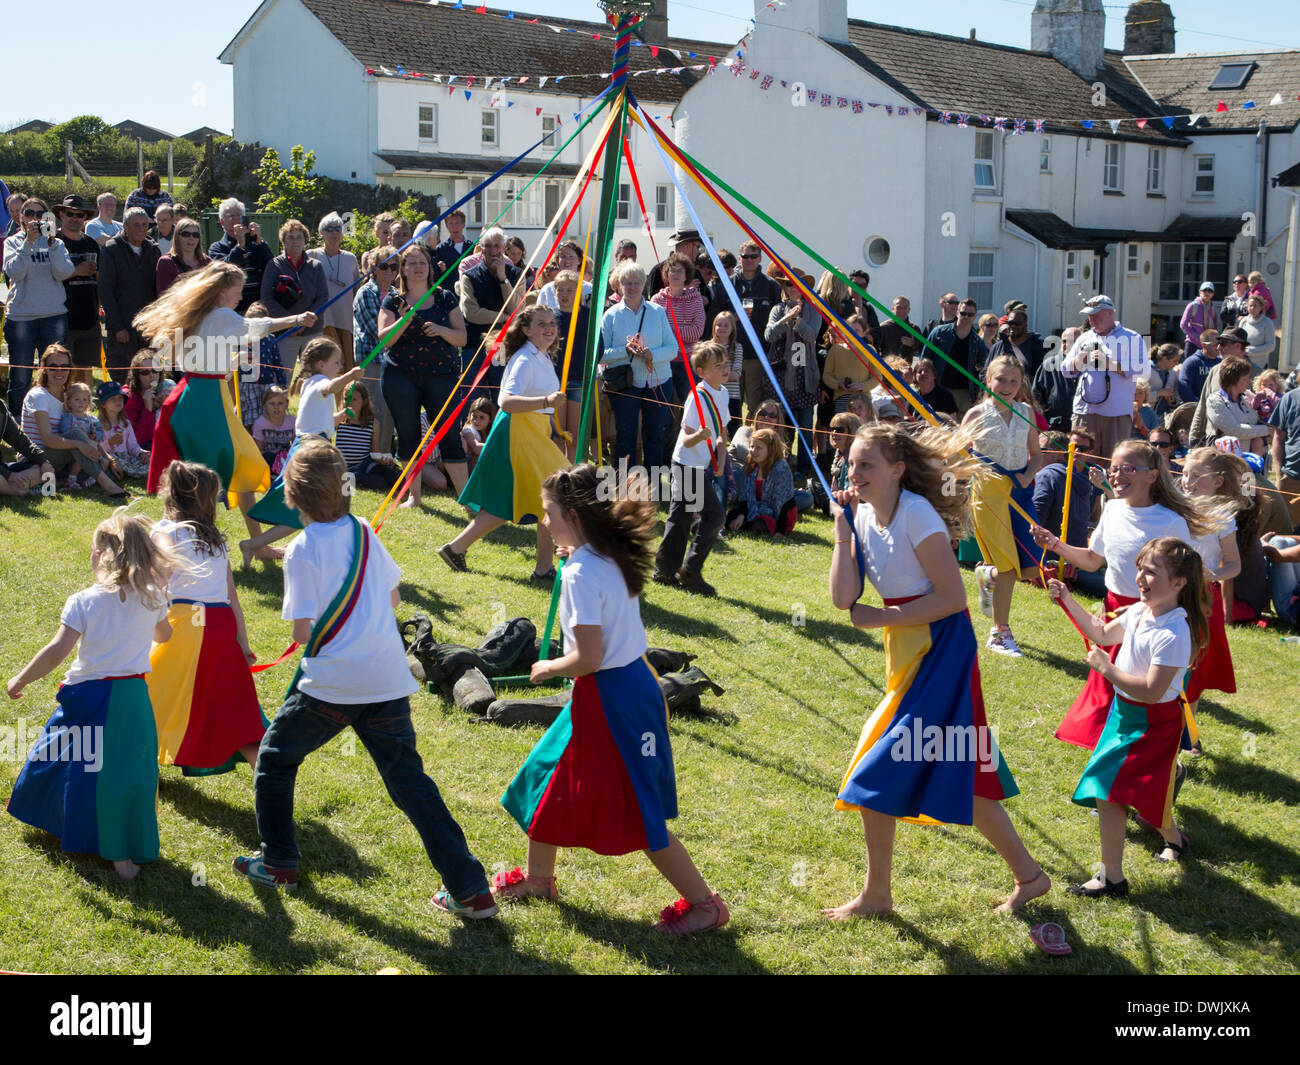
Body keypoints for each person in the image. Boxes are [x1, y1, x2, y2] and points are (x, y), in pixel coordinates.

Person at [232, 440, 496, 916]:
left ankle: (278, 863)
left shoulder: (300, 551)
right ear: (345, 488)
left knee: (273, 758)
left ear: (291, 495)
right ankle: (471, 889)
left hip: (332, 685)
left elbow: (302, 631)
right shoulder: (363, 532)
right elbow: (393, 600)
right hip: (387, 680)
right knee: (411, 785)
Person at [823, 423, 1048, 918]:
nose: (853, 472)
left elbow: (952, 598)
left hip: (942, 648)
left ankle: (876, 896)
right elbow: (843, 599)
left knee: (875, 767)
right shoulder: (860, 516)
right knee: (960, 771)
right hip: (906, 649)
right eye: (852, 463)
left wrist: (881, 616)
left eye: (867, 464)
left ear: (898, 470)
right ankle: (1030, 876)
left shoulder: (917, 513)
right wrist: (842, 530)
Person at [494, 463, 729, 935]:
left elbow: (587, 657)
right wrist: (570, 556)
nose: (543, 522)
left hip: (612, 699)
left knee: (637, 808)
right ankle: (540, 879)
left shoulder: (584, 570)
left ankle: (706, 905)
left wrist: (546, 668)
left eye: (549, 513)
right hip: (621, 689)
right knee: (544, 774)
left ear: (575, 516)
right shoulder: (606, 554)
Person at [6, 511, 177, 880]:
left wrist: (20, 678)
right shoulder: (150, 597)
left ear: (103, 555)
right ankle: (124, 857)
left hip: (88, 696)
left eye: (92, 549)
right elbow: (165, 636)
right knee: (126, 774)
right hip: (133, 698)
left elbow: (56, 652)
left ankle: (63, 825)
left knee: (61, 756)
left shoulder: (84, 601)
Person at [1047, 538, 1207, 891]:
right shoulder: (1139, 611)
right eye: (1140, 569)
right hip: (1124, 714)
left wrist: (1107, 670)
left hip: (1152, 723)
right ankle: (1173, 839)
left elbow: (1151, 690)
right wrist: (1067, 598)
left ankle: (1112, 878)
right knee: (1128, 795)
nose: (1140, 577)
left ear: (1180, 582)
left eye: (1151, 572)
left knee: (1110, 792)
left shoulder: (1174, 632)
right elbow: (1101, 633)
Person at [1032, 439, 1208, 750]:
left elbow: (1185, 579)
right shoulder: (1111, 509)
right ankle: (1109, 749)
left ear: (1152, 476)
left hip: (1154, 617)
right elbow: (1092, 559)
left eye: (1127, 468)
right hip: (1117, 612)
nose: (1116, 475)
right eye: (1113, 469)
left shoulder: (1171, 522)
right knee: (1106, 690)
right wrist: (1055, 545)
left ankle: (1159, 751)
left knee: (1144, 691)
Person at [137, 262, 315, 544]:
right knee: (209, 473)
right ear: (221, 291)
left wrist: (232, 362)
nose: (239, 297)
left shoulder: (202, 315)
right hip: (206, 400)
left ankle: (252, 544)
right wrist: (295, 320)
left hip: (197, 394)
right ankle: (194, 538)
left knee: (225, 468)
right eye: (237, 290)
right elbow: (255, 326)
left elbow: (200, 362)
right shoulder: (221, 314)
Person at [148, 461, 264, 773]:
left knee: (145, 698)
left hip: (184, 625)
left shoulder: (163, 533)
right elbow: (232, 599)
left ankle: (139, 775)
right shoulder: (217, 542)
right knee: (239, 717)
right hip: (221, 626)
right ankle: (270, 790)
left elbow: (157, 584)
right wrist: (243, 643)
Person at [441, 304, 567, 579]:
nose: (549, 328)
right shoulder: (525, 358)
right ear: (526, 330)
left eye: (552, 323)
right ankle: (545, 568)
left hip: (533, 432)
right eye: (541, 324)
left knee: (524, 500)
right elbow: (506, 402)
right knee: (552, 495)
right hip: (517, 434)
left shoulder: (542, 357)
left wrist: (554, 424)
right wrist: (546, 401)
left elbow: (539, 401)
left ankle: (456, 548)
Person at [241, 337, 365, 562]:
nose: (340, 367)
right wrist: (350, 376)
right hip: (312, 451)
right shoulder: (320, 382)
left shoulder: (311, 385)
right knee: (305, 510)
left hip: (312, 446)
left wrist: (339, 417)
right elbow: (329, 387)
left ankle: (319, 546)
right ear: (321, 365)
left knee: (320, 505)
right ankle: (253, 544)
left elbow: (320, 421)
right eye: (337, 363)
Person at [377, 244, 468, 509]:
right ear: (403, 269)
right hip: (400, 375)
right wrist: (404, 319)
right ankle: (413, 497)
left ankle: (465, 499)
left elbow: (461, 337)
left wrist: (440, 329)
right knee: (408, 435)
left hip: (442, 374)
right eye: (412, 262)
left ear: (430, 267)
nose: (418, 267)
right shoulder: (393, 300)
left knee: (449, 433)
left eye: (422, 262)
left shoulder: (445, 298)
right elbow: (384, 340)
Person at [965, 356, 1043, 658]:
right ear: (988, 380)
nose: (1007, 386)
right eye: (1001, 379)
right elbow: (958, 455)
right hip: (988, 495)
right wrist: (976, 467)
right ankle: (1000, 633)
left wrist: (1026, 476)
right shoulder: (976, 414)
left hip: (1019, 492)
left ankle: (987, 575)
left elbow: (1036, 454)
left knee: (1028, 562)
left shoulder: (1026, 413)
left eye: (1014, 380)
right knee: (1009, 566)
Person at [653, 341, 730, 595]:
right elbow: (685, 438)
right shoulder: (696, 397)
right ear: (701, 371)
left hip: (701, 464)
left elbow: (723, 430)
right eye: (717, 366)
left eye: (725, 364)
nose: (724, 369)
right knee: (713, 515)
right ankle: (689, 569)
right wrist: (699, 435)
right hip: (685, 464)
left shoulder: (724, 393)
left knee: (681, 516)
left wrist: (720, 456)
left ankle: (666, 570)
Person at [1180, 448, 1242, 723]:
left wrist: (1210, 575)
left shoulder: (1222, 517)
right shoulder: (1174, 506)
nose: (1188, 482)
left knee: (1194, 665)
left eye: (1197, 476)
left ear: (1218, 480)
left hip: (1202, 599)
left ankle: (1189, 734)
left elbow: (1234, 565)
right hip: (1167, 592)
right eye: (1184, 474)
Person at [599, 261, 675, 468]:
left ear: (643, 284)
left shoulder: (657, 311)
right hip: (625, 384)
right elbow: (601, 355)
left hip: (658, 381)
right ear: (619, 285)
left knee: (654, 436)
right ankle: (625, 488)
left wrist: (652, 354)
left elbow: (672, 348)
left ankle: (653, 487)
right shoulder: (610, 315)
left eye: (636, 283)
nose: (632, 288)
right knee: (625, 437)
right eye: (627, 283)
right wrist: (624, 351)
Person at [22, 346, 124, 496]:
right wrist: (80, 444)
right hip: (38, 457)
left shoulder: (70, 397)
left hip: (64, 454)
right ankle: (108, 486)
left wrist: (108, 457)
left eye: (64, 367)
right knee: (76, 434)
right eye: (53, 367)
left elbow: (87, 435)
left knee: (102, 461)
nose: (59, 372)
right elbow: (48, 439)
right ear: (44, 369)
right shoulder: (39, 396)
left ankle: (62, 479)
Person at [3, 196, 73, 413]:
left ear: (48, 218)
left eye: (40, 214)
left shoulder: (57, 243)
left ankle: (53, 419)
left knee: (55, 374)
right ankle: (16, 424)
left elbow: (64, 272)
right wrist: (28, 244)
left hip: (53, 316)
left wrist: (51, 243)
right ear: (21, 218)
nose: (35, 218)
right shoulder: (12, 242)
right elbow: (14, 272)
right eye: (30, 214)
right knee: (21, 376)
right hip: (22, 317)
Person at [1062, 295, 1147, 462]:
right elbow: (1065, 369)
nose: (1091, 319)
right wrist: (1079, 360)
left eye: (1095, 315)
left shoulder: (1132, 338)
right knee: (1080, 462)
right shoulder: (1085, 337)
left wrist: (1109, 364)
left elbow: (1142, 369)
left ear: (1110, 313)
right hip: (1085, 411)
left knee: (1115, 462)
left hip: (1116, 413)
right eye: (1089, 315)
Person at [764, 273, 821, 482]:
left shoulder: (813, 310)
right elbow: (769, 335)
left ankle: (805, 469)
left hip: (805, 377)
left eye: (797, 283)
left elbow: (812, 335)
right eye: (789, 283)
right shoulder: (778, 309)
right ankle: (780, 465)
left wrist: (797, 321)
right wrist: (786, 318)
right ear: (785, 287)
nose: (793, 287)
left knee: (805, 427)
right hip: (781, 376)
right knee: (781, 427)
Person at [651, 252, 707, 460]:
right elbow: (656, 332)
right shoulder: (657, 300)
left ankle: (689, 455)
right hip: (664, 363)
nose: (675, 274)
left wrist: (670, 329)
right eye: (671, 270)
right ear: (666, 274)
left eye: (679, 270)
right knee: (664, 414)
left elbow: (697, 331)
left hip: (687, 363)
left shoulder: (695, 300)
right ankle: (667, 458)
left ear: (686, 275)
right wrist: (680, 328)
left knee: (689, 411)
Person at [458, 226, 524, 392]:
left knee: (499, 394)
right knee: (472, 398)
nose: (493, 250)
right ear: (481, 249)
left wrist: (503, 279)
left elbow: (517, 308)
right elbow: (471, 313)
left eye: (497, 246)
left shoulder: (516, 274)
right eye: (488, 246)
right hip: (474, 346)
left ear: (503, 248)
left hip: (501, 345)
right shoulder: (469, 276)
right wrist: (503, 317)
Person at [99, 207, 159, 384]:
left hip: (148, 325)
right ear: (125, 226)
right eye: (136, 225)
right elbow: (105, 291)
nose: (141, 229)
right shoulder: (111, 249)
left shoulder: (153, 250)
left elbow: (157, 290)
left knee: (149, 376)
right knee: (124, 376)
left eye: (144, 225)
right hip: (123, 326)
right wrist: (118, 327)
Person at [260, 219, 327, 369]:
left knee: (314, 376)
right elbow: (266, 298)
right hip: (285, 333)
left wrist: (307, 320)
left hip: (312, 331)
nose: (295, 241)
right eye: (290, 237)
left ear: (305, 241)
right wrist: (292, 323)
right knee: (283, 379)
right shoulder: (274, 265)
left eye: (299, 237)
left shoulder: (316, 266)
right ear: (283, 241)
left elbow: (322, 297)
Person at [352, 243, 399, 455]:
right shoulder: (365, 293)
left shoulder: (396, 294)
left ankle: (384, 453)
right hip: (371, 359)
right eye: (383, 266)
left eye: (394, 267)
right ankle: (365, 454)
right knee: (370, 409)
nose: (389, 271)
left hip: (392, 361)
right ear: (373, 268)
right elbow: (376, 330)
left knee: (389, 409)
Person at [52, 195, 102, 379]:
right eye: (70, 213)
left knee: (84, 372)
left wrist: (100, 306)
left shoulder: (91, 243)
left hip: (89, 317)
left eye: (79, 215)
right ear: (61, 214)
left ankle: (81, 406)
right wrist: (77, 270)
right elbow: (50, 275)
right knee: (61, 372)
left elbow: (100, 278)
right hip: (61, 318)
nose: (74, 218)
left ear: (85, 218)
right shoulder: (54, 241)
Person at [731, 241, 782, 413]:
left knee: (755, 404)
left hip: (758, 354)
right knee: (732, 404)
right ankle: (732, 438)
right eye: (745, 256)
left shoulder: (771, 286)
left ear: (760, 258)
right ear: (740, 258)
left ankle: (752, 438)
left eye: (753, 256)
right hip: (732, 352)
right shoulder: (729, 284)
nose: (749, 260)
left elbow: (778, 318)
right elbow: (716, 315)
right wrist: (734, 317)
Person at [309, 212, 361, 371]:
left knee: (346, 367)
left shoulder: (350, 258)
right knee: (324, 366)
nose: (334, 233)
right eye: (329, 229)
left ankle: (346, 396)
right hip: (322, 321)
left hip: (345, 321)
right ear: (321, 233)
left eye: (338, 229)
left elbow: (357, 290)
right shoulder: (311, 255)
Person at [551, 269, 590, 461]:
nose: (564, 295)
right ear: (554, 291)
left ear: (578, 292)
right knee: (558, 434)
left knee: (573, 436)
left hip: (578, 381)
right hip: (555, 383)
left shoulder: (588, 316)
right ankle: (559, 476)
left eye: (569, 290)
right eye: (560, 290)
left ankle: (574, 476)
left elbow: (597, 349)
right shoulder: (550, 318)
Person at [728, 427, 796, 536]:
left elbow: (783, 503)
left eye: (759, 448)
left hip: (777, 513)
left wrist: (780, 531)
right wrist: (741, 515)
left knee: (758, 526)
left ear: (770, 450)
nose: (753, 451)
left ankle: (751, 524)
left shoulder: (781, 469)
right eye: (752, 446)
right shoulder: (753, 465)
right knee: (730, 517)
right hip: (755, 508)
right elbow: (745, 497)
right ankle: (745, 522)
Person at [207, 198, 272, 313]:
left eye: (239, 215)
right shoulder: (216, 248)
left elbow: (270, 265)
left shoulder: (256, 243)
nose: (235, 219)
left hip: (259, 307)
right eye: (230, 216)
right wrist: (240, 246)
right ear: (221, 221)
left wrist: (259, 241)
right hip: (233, 309)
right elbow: (225, 271)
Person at [333, 383, 400, 491]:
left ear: (364, 402)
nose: (349, 402)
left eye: (354, 399)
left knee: (398, 480)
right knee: (380, 483)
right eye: (346, 399)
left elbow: (375, 452)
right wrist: (342, 415)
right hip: (346, 468)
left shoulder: (373, 423)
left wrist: (383, 460)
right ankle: (346, 478)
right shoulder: (340, 421)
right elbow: (327, 424)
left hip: (366, 464)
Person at [926, 297, 987, 416]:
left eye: (970, 314)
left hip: (965, 393)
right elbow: (926, 359)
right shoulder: (939, 333)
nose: (966, 317)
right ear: (957, 313)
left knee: (962, 430)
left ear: (975, 316)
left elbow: (983, 370)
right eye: (963, 313)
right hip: (940, 388)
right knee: (938, 427)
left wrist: (980, 395)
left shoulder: (977, 341)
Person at [1206, 356, 1270, 455]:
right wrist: (1268, 430)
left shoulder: (1247, 396)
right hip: (1225, 462)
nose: (1249, 382)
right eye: (1245, 379)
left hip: (1251, 461)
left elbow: (1262, 418)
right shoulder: (1215, 401)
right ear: (1233, 380)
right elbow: (1234, 430)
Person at [238, 300, 287, 428]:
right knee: (250, 417)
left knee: (269, 416)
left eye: (259, 324)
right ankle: (250, 441)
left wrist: (282, 384)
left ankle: (267, 441)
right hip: (247, 385)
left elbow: (278, 362)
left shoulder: (270, 338)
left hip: (266, 384)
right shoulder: (242, 339)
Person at [0, 393, 54, 497]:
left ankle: (10, 487)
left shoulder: (1, 408)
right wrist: (10, 475)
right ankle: (16, 491)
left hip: (2, 469)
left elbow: (19, 438)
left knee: (39, 469)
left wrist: (43, 462)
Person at [95, 380, 150, 480]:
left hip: (127, 457)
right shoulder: (98, 425)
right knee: (117, 462)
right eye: (113, 399)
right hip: (110, 458)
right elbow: (96, 447)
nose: (118, 401)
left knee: (150, 458)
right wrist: (109, 443)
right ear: (103, 404)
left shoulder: (126, 424)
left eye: (120, 398)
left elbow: (132, 445)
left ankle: (134, 471)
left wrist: (141, 453)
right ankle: (129, 472)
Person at [1032, 325, 1079, 432]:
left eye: (1073, 341)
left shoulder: (1090, 367)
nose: (1067, 345)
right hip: (1055, 429)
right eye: (1064, 341)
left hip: (1081, 430)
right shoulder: (1048, 366)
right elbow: (1036, 398)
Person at [154, 216, 209, 295]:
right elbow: (164, 296)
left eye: (196, 235)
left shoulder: (207, 262)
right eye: (186, 234)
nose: (191, 238)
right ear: (177, 237)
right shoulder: (166, 262)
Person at [822, 325, 871, 414]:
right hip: (842, 398)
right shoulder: (835, 349)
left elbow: (878, 377)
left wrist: (862, 386)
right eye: (850, 330)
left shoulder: (870, 350)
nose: (853, 333)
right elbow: (826, 375)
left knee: (863, 426)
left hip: (863, 397)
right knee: (845, 426)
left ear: (863, 333)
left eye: (857, 331)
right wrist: (838, 384)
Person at [709, 310, 745, 432]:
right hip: (712, 395)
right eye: (719, 325)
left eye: (726, 325)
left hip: (732, 396)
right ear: (714, 327)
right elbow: (706, 373)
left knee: (733, 430)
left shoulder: (737, 347)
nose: (722, 328)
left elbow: (736, 374)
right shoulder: (708, 348)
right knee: (714, 430)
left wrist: (715, 376)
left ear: (732, 328)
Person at [989, 306, 1046, 379]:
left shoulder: (1038, 346)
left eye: (1017, 323)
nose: (1013, 326)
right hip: (1000, 390)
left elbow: (1044, 377)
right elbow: (986, 372)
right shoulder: (998, 346)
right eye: (1010, 323)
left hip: (1027, 389)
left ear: (1025, 326)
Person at [646, 229, 702, 298]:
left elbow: (707, 301)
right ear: (688, 247)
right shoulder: (658, 271)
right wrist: (683, 288)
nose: (699, 251)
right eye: (698, 247)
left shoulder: (695, 273)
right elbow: (653, 304)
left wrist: (703, 299)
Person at [251, 385, 295, 471]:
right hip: (269, 459)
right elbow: (258, 451)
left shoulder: (292, 422)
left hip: (286, 457)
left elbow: (296, 444)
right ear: (264, 406)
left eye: (280, 403)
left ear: (287, 404)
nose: (276, 407)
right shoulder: (260, 423)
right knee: (268, 457)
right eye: (271, 403)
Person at [1263, 532, 1300, 625]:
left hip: (1292, 610)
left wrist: (1262, 542)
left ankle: (1264, 604)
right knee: (1290, 542)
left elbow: (1277, 556)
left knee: (1277, 542)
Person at [431, 209, 471, 291]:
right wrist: (441, 270)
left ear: (463, 224)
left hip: (470, 293)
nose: (454, 227)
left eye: (457, 223)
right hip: (449, 295)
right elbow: (435, 278)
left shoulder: (472, 247)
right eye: (451, 224)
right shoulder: (440, 249)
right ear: (446, 225)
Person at [1179, 281, 1216, 360]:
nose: (1207, 293)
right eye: (1204, 290)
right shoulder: (1193, 306)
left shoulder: (1212, 308)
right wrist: (1197, 336)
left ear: (1213, 294)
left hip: (1206, 345)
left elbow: (1215, 328)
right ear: (1200, 292)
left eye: (1210, 291)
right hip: (1192, 343)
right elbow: (1183, 325)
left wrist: (1212, 340)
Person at [877, 296, 920, 362]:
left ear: (909, 310)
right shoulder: (883, 327)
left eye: (905, 307)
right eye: (898, 307)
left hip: (906, 369)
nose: (901, 310)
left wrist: (913, 344)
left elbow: (923, 350)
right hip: (886, 368)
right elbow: (875, 348)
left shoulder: (914, 329)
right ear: (893, 309)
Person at [1240, 294, 1276, 373]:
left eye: (1255, 306)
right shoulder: (1243, 321)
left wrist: (1250, 351)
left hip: (1260, 366)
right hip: (1243, 364)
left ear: (1261, 307)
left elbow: (1271, 346)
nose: (1252, 308)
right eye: (1250, 306)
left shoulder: (1267, 323)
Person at [460, 395, 495, 474]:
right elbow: (475, 446)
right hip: (466, 467)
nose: (476, 421)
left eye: (482, 417)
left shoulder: (491, 430)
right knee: (479, 455)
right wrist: (498, 449)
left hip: (480, 467)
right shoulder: (468, 430)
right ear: (470, 415)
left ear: (490, 419)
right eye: (474, 416)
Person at [1147, 343, 1181, 420]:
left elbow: (1177, 396)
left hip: (1164, 417)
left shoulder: (1173, 374)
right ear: (1165, 359)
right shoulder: (1146, 370)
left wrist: (1173, 400)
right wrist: (1159, 393)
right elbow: (1136, 396)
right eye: (1175, 361)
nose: (1177, 364)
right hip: (1146, 416)